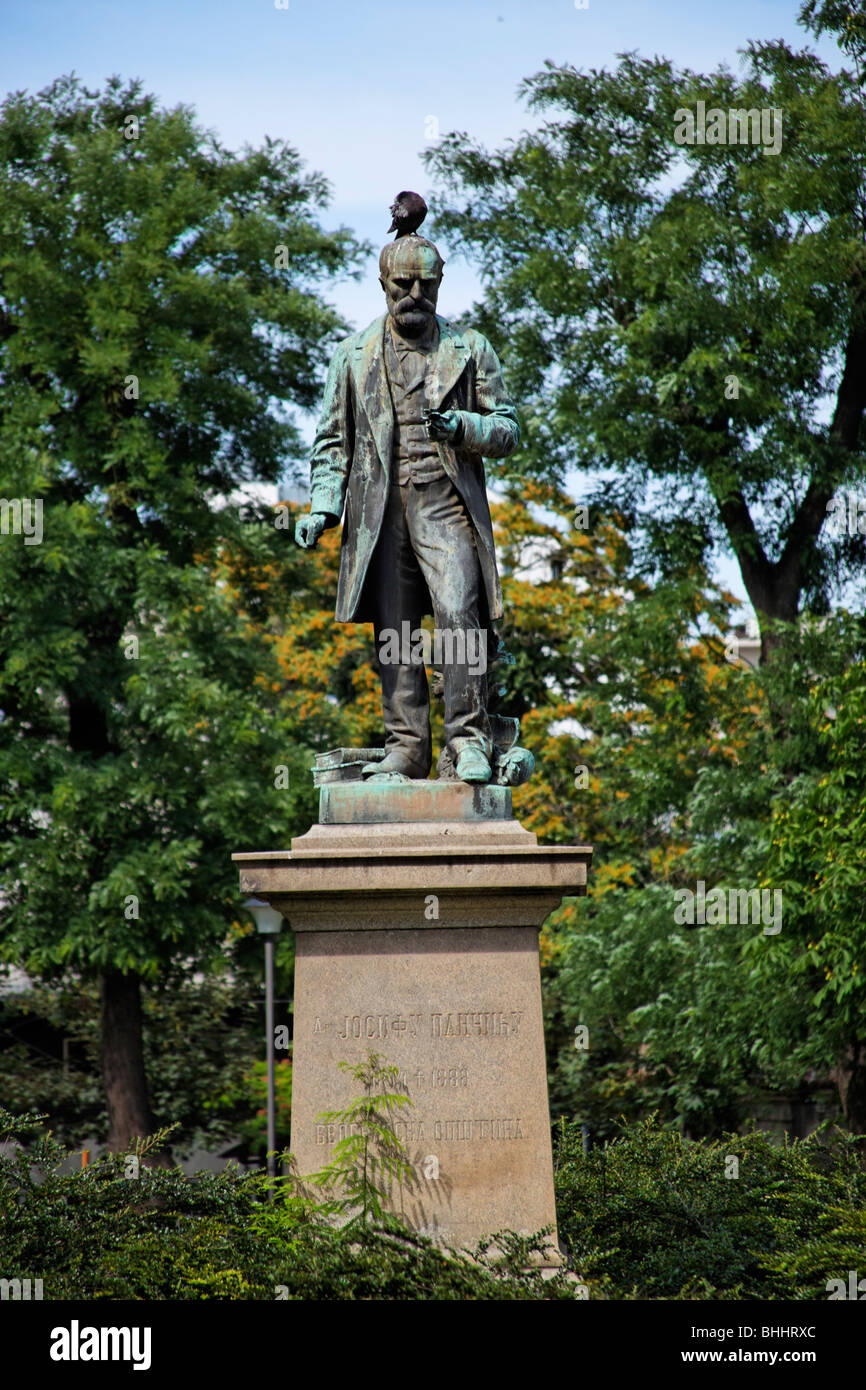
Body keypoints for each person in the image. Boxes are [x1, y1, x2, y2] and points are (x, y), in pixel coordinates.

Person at [294, 232, 520, 783]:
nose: (415, 294)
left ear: (439, 284)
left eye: (426, 284)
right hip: (379, 514)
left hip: (445, 505)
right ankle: (407, 746)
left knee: (459, 612)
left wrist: (464, 427)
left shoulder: (470, 348)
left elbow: (509, 429)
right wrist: (323, 508)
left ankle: (467, 739)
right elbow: (332, 443)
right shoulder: (352, 356)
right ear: (382, 283)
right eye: (403, 283)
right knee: (394, 629)